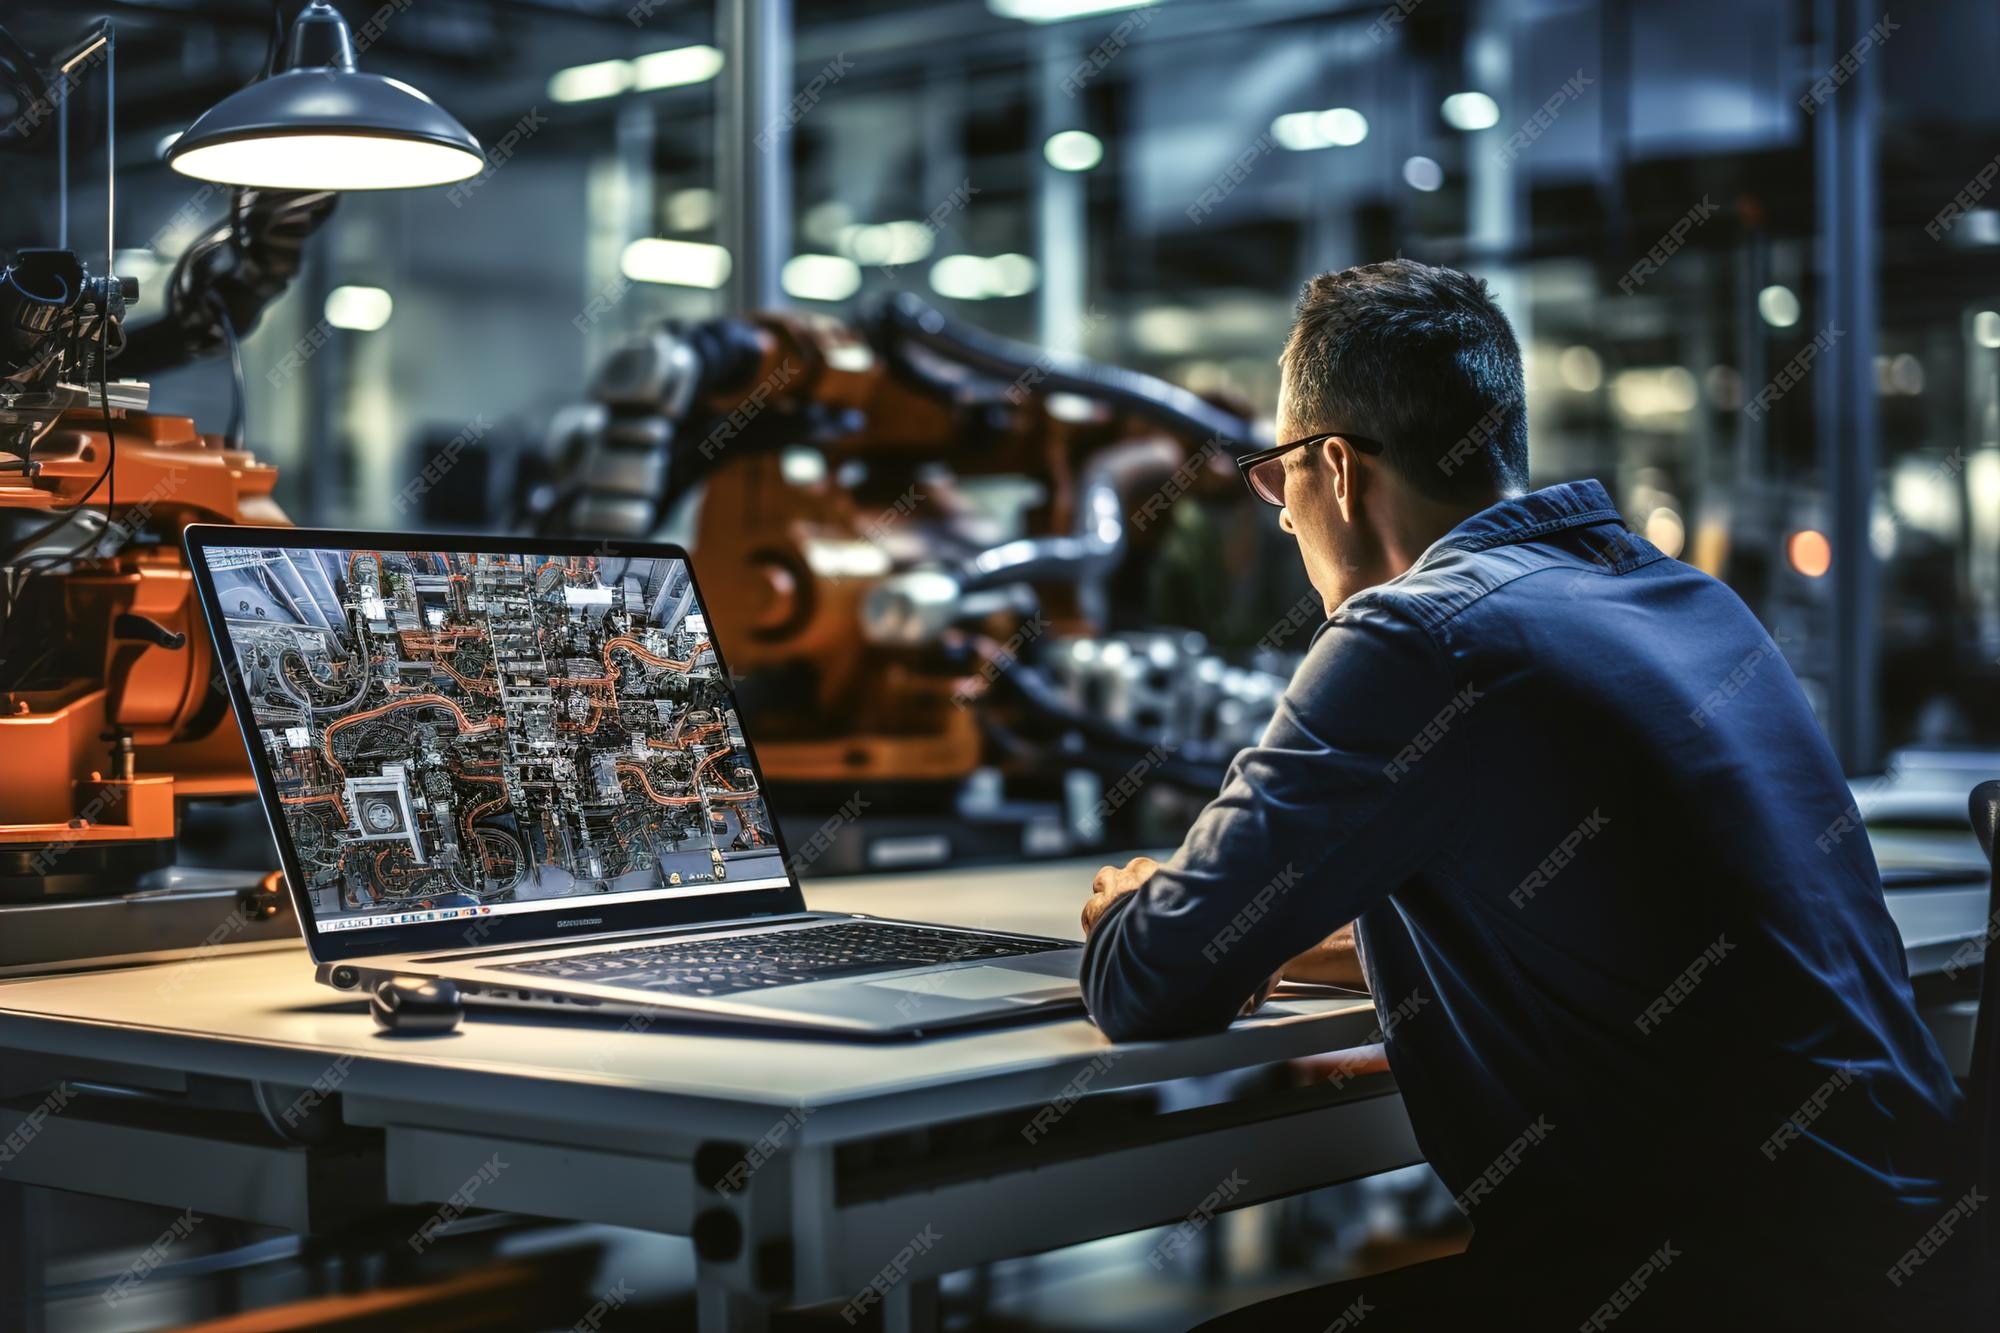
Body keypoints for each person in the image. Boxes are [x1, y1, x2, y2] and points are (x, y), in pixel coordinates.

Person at [1078, 259, 1977, 1329]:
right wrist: (1268, 932)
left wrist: (1136, 911)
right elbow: (1577, 913)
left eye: (1276, 475)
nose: (1275, 515)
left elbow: (1149, 980)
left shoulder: (1410, 634)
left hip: (1707, 1284)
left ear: (1336, 467)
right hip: (1918, 1256)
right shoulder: (1691, 603)